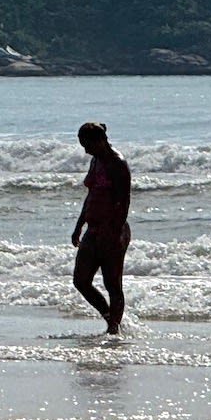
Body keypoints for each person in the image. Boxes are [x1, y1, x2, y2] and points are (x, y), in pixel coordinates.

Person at [70, 121, 132, 335]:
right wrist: (79, 226)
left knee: (112, 283)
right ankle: (109, 317)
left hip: (114, 231)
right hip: (93, 228)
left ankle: (114, 329)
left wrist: (113, 232)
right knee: (81, 280)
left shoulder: (117, 163)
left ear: (101, 141)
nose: (85, 150)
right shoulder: (96, 161)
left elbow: (123, 202)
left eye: (87, 145)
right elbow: (91, 196)